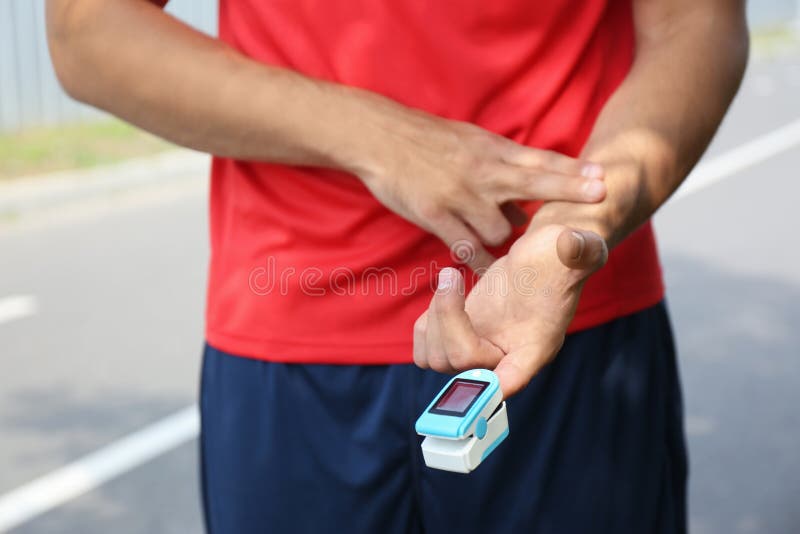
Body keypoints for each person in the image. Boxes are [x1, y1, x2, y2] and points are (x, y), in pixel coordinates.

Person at [46, 0, 748, 532]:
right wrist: (381, 137)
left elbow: (696, 25)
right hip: (291, 348)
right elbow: (89, 30)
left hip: (565, 317)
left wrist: (576, 226)